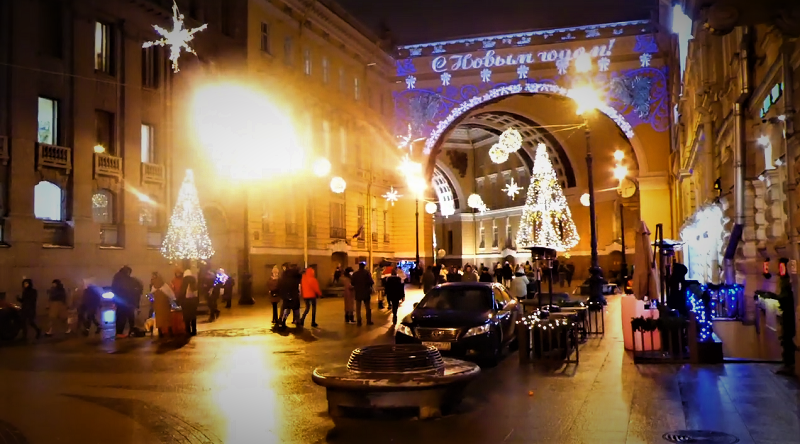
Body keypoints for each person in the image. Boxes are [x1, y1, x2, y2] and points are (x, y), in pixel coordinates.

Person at [111, 266, 136, 338]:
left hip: (120, 301)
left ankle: (119, 332)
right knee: (127, 316)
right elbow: (127, 289)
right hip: (126, 301)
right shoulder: (124, 279)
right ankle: (128, 331)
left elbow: (114, 289)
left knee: (120, 316)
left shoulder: (117, 277)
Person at [151, 272, 177, 338]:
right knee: (167, 318)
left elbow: (151, 296)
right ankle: (170, 331)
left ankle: (160, 332)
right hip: (165, 304)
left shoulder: (153, 286)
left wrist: (152, 303)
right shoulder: (165, 285)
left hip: (157, 305)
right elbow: (170, 294)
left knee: (159, 319)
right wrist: (174, 301)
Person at [277, 264, 301, 328]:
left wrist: (283, 294)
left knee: (287, 309)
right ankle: (297, 321)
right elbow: (298, 284)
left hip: (287, 295)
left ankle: (283, 320)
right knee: (296, 309)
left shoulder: (285, 275)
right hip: (294, 295)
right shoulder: (296, 276)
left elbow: (281, 285)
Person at [180, 269, 199, 336]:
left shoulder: (184, 282)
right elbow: (197, 293)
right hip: (193, 301)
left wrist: (179, 301)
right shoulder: (194, 282)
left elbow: (182, 293)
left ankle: (188, 331)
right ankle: (194, 330)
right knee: (193, 316)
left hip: (186, 302)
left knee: (186, 317)